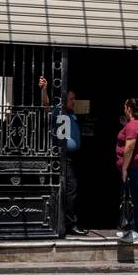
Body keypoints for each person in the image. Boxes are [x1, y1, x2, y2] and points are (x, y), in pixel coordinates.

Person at [39, 75, 86, 237]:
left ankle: (66, 223)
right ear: (64, 99)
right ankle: (68, 224)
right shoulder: (59, 111)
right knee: (70, 190)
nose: (74, 101)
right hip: (62, 159)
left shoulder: (71, 113)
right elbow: (45, 107)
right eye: (72, 99)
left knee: (70, 190)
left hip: (72, 158)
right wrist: (44, 89)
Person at [115, 97, 138, 244]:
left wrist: (124, 168)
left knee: (135, 199)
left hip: (134, 165)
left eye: (125, 107)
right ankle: (132, 230)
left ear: (129, 109)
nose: (124, 109)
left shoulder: (133, 124)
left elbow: (129, 147)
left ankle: (137, 231)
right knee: (135, 198)